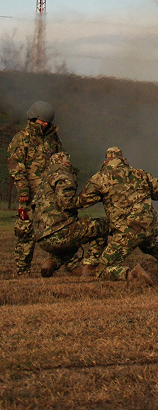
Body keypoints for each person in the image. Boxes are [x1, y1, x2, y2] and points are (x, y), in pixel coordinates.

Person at [79, 147, 158, 285]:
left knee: (102, 270)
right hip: (147, 226)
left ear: (106, 160)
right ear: (122, 159)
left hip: (127, 231)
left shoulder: (100, 178)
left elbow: (83, 200)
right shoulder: (140, 173)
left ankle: (132, 274)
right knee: (150, 246)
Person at [7, 101, 63, 277]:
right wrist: (23, 190)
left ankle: (53, 265)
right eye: (42, 121)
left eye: (47, 122)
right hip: (30, 195)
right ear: (33, 119)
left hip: (50, 194)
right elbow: (16, 167)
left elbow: (60, 161)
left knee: (56, 229)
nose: (45, 125)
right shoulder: (21, 139)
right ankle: (23, 271)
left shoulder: (53, 139)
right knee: (25, 231)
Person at [32, 152, 109, 278]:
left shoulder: (44, 182)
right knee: (102, 225)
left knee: (73, 234)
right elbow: (67, 203)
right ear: (65, 163)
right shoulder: (63, 176)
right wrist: (90, 198)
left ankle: (52, 262)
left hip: (42, 238)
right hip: (58, 233)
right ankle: (91, 266)